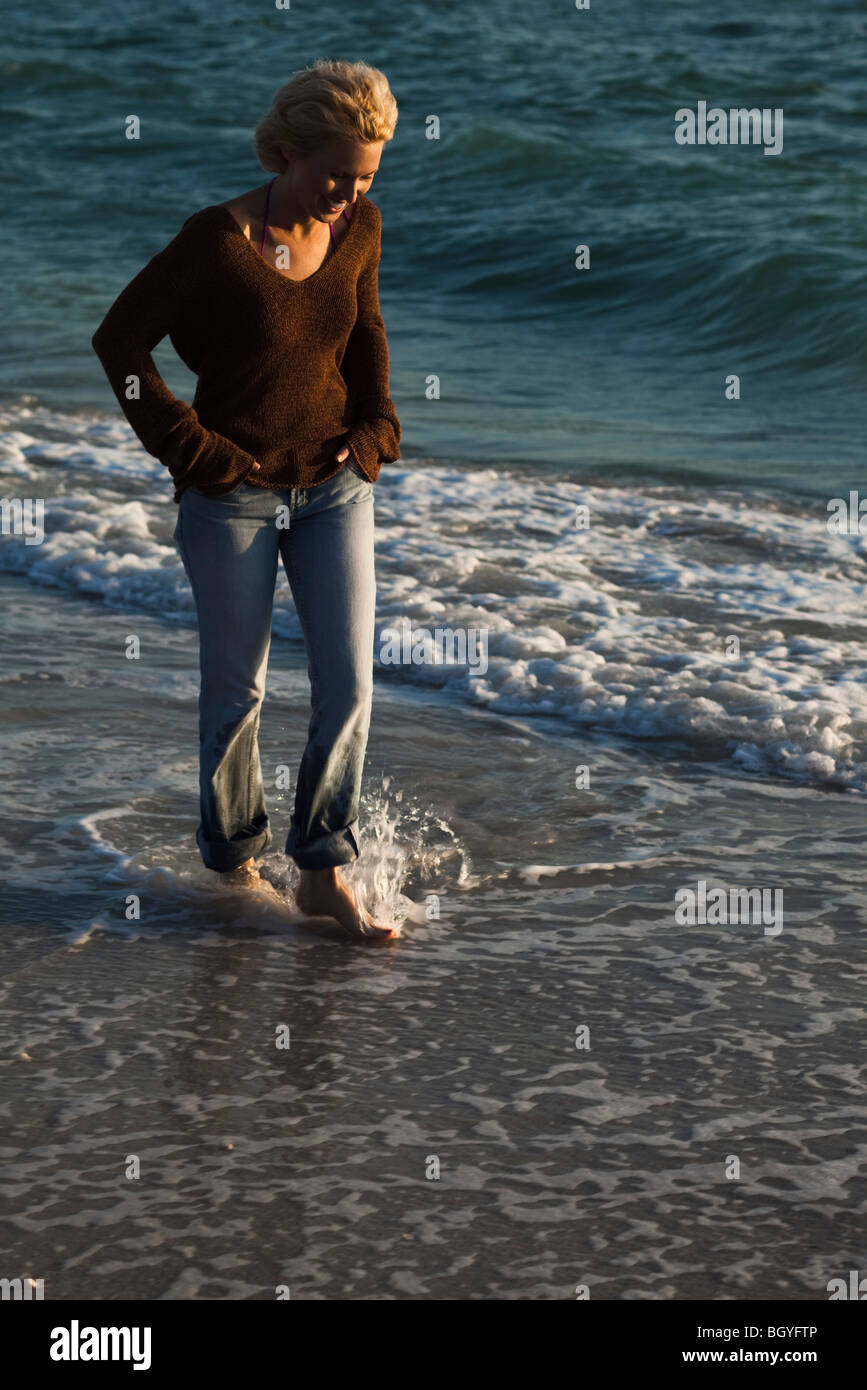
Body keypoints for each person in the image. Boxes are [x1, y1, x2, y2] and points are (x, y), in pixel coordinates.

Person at [91, 59, 401, 940]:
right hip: (233, 500)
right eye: (335, 172)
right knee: (238, 691)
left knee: (348, 683)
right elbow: (119, 343)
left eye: (367, 174)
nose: (349, 191)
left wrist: (376, 433)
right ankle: (234, 861)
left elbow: (366, 337)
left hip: (335, 489)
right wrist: (191, 449)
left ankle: (321, 868)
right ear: (289, 153)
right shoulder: (214, 242)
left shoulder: (360, 227)